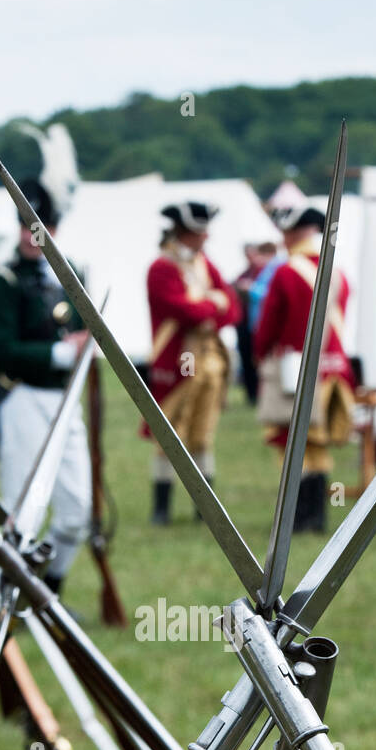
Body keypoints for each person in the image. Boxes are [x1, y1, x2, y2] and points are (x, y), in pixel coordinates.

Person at [0, 179, 90, 596]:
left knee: (77, 511)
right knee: (21, 512)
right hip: (22, 398)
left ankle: (49, 594)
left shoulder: (71, 275)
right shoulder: (2, 281)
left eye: (40, 226)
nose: (32, 236)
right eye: (26, 226)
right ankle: (10, 598)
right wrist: (61, 353)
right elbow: (3, 350)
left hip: (64, 400)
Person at [253, 204, 355, 533]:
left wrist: (258, 356)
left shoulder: (285, 272)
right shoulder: (336, 272)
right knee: (318, 446)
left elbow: (269, 325)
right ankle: (318, 518)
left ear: (296, 233)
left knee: (291, 442)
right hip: (335, 370)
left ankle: (298, 519)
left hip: (295, 370)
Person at [144, 202, 241, 524]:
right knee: (170, 435)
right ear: (184, 233)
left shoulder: (203, 265)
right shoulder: (162, 268)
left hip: (209, 359)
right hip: (178, 362)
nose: (205, 238)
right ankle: (162, 508)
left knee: (203, 434)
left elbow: (233, 310)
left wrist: (209, 304)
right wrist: (213, 302)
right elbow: (184, 311)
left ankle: (205, 509)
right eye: (199, 232)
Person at [232, 242, 278, 403]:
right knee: (251, 360)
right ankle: (254, 395)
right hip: (251, 323)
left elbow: (270, 295)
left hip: (260, 323)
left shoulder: (273, 269)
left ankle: (261, 395)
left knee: (260, 360)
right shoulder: (252, 272)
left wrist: (250, 289)